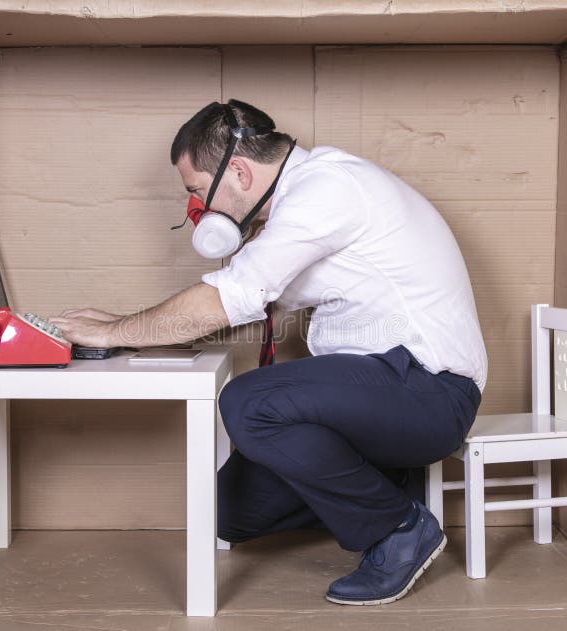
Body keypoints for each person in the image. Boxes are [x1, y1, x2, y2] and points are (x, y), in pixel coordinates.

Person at [48, 99, 487, 606]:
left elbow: (228, 297)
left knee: (246, 402)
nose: (196, 210)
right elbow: (236, 307)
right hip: (381, 398)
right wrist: (123, 328)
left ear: (237, 171)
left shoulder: (328, 188)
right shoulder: (293, 212)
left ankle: (399, 529)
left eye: (196, 191)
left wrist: (115, 333)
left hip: (428, 392)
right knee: (227, 512)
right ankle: (384, 483)